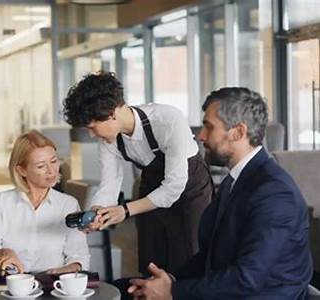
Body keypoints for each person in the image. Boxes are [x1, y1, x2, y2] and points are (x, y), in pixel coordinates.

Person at [128, 87, 313, 299]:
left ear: (238, 132)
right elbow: (210, 257)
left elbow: (247, 279)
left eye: (209, 127)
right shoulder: (233, 181)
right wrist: (170, 280)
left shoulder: (276, 195)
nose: (200, 136)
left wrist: (173, 292)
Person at [63, 71, 213, 274]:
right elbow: (111, 182)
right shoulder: (109, 140)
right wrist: (98, 212)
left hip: (189, 189)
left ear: (111, 113)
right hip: (152, 184)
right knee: (152, 259)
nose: (91, 134)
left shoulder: (167, 120)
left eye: (92, 127)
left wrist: (124, 210)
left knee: (189, 258)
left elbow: (173, 187)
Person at [0, 130, 89, 274]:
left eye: (54, 161)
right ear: (22, 170)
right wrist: (1, 253)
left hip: (54, 287)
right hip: (13, 285)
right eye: (41, 166)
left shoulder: (68, 204)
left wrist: (67, 270)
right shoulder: (0, 203)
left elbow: (79, 255)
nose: (51, 171)